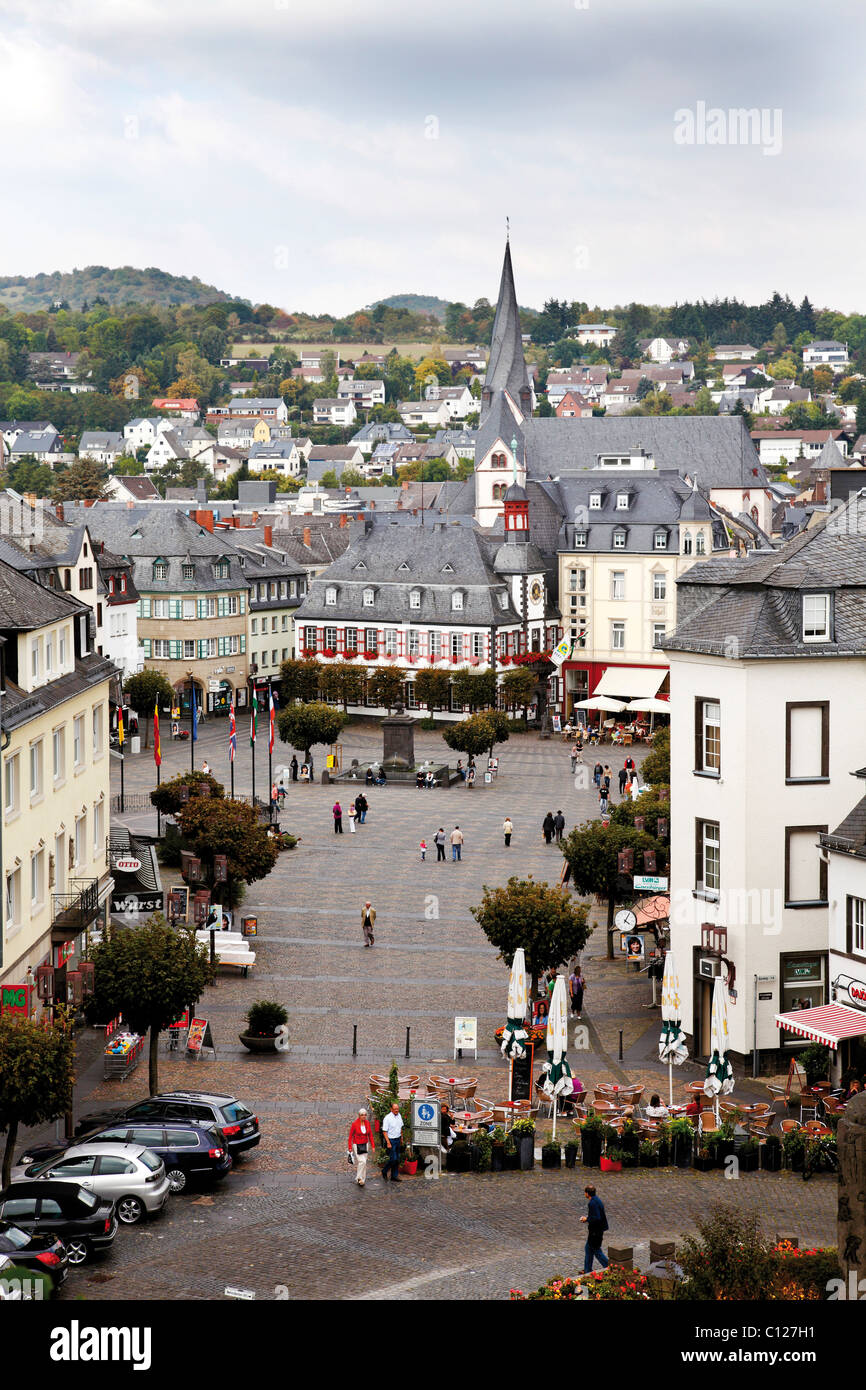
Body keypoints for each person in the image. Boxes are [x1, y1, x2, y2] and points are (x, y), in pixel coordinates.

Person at [580, 1185, 609, 1272]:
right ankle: (587, 1269)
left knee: (596, 1251)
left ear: (587, 1194)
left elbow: (596, 1217)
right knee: (588, 1249)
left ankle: (610, 1266)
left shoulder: (592, 1203)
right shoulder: (597, 1200)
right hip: (597, 1231)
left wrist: (586, 1219)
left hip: (595, 1232)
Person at [348, 1107, 375, 1187]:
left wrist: (373, 1145)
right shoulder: (354, 1124)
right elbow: (350, 1136)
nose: (364, 1116)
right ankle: (358, 1177)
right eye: (362, 1115)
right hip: (357, 1145)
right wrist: (350, 1147)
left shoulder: (367, 1123)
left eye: (365, 1115)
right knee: (361, 1161)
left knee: (364, 1162)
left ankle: (362, 1179)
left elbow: (370, 1135)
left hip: (365, 1145)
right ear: (359, 1115)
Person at [381, 1102, 404, 1181]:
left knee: (397, 1159)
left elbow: (401, 1127)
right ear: (391, 1109)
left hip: (398, 1139)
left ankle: (394, 1176)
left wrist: (401, 1138)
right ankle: (384, 1171)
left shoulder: (399, 1116)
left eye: (397, 1109)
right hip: (391, 1140)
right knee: (393, 1159)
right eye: (395, 1109)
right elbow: (384, 1131)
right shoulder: (387, 1118)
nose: (396, 1110)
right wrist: (388, 1142)